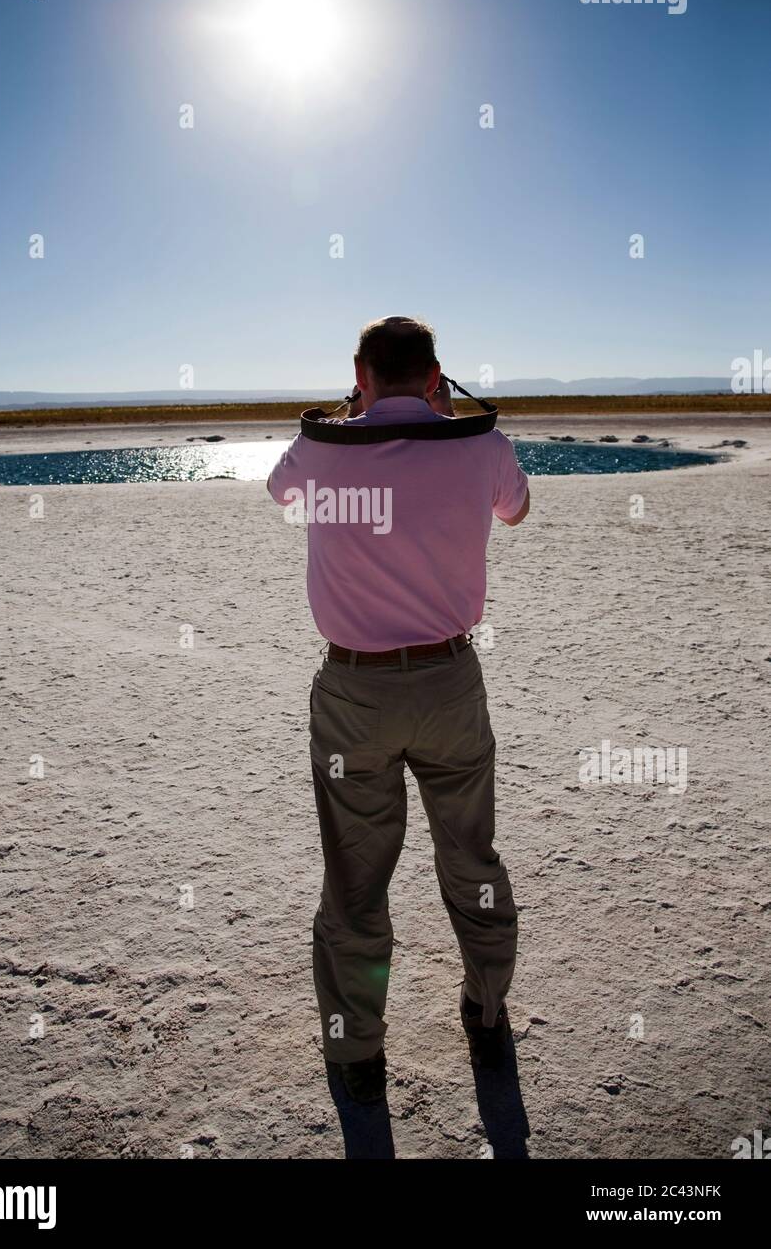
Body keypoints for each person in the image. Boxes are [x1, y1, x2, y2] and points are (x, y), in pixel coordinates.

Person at [266, 316, 530, 1121]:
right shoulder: (478, 444)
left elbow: (279, 493)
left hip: (355, 694)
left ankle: (358, 1052)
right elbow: (516, 510)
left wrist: (353, 416)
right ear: (437, 375)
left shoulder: (322, 451)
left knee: (355, 881)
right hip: (450, 681)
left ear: (360, 374)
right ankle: (486, 1012)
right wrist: (449, 421)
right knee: (471, 857)